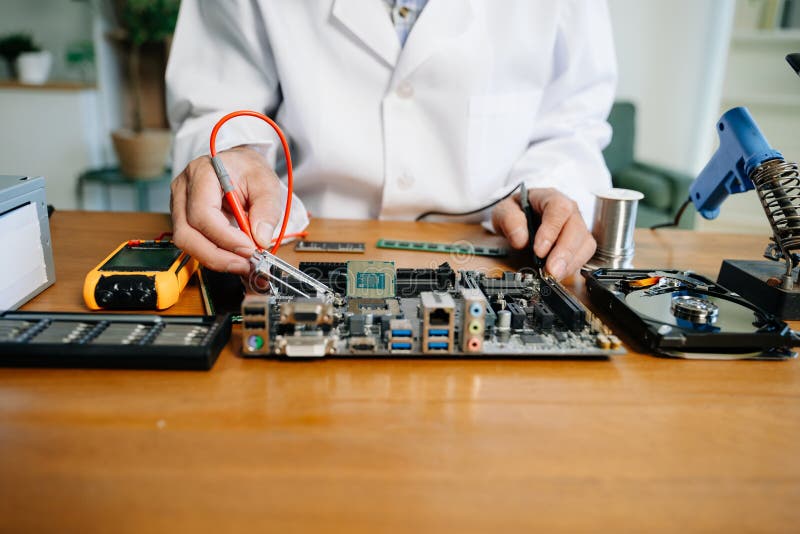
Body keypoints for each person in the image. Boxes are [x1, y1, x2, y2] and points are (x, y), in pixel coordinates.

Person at [166, 0, 617, 279]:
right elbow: (215, 98)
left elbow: (574, 121)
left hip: (497, 256)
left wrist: (546, 188)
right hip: (288, 254)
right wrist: (234, 155)